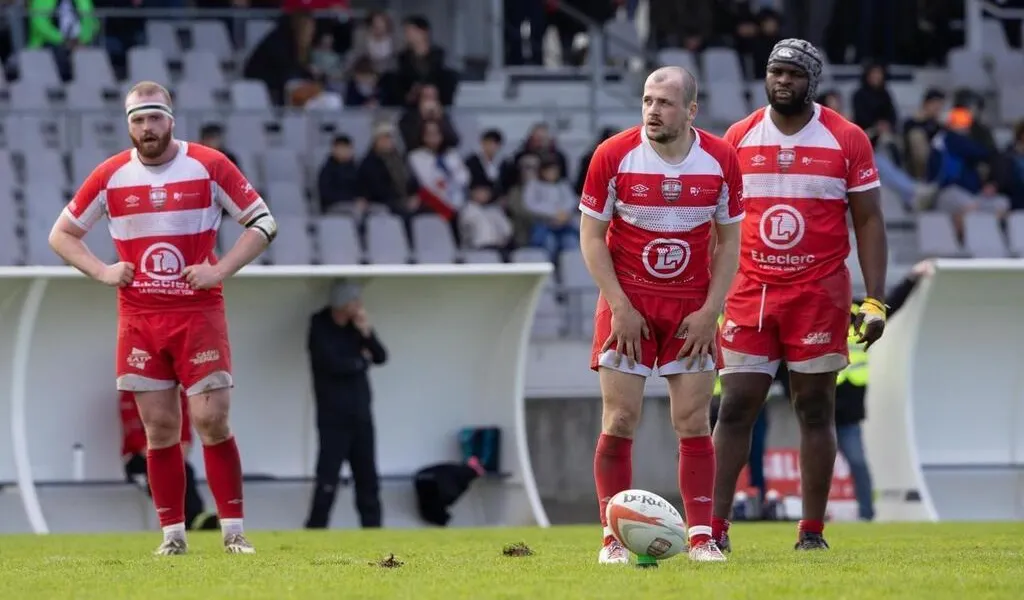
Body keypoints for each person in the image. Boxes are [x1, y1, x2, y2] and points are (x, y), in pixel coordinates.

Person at [48, 81, 278, 556]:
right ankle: (173, 537)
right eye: (137, 120)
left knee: (212, 420)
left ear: (171, 118)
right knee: (159, 430)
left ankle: (234, 532)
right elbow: (62, 234)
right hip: (140, 318)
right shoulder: (112, 175)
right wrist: (102, 270)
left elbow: (263, 223)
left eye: (154, 118)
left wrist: (220, 268)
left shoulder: (209, 165)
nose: (147, 128)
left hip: (198, 314)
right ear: (128, 124)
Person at [711, 39, 888, 552]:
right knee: (737, 404)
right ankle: (714, 530)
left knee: (814, 407)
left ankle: (811, 532)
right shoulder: (739, 136)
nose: (782, 81)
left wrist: (875, 300)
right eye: (775, 72)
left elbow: (870, 220)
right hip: (751, 290)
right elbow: (719, 224)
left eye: (793, 73)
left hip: (818, 292)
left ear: (813, 80)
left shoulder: (846, 139)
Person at [579, 66, 745, 564]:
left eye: (665, 103)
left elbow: (730, 242)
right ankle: (612, 540)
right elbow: (591, 238)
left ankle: (700, 537)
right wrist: (620, 307)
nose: (653, 110)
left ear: (691, 110)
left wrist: (710, 311)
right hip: (627, 303)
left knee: (693, 422)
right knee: (620, 417)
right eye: (648, 100)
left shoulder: (720, 159)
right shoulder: (613, 154)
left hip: (691, 309)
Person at [305, 279, 388, 529]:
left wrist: (367, 333)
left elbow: (381, 357)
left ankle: (373, 529)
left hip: (361, 414)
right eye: (354, 301)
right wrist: (360, 362)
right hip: (333, 416)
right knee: (328, 476)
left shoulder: (357, 327)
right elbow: (331, 363)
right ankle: (316, 528)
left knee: (367, 476)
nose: (359, 306)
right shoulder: (320, 326)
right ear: (342, 303)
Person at [121, 386, 219, 531]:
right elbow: (136, 440)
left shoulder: (178, 394)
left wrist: (170, 459)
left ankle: (193, 518)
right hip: (140, 461)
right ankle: (184, 521)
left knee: (185, 471)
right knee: (162, 475)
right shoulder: (132, 393)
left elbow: (185, 438)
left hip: (170, 459)